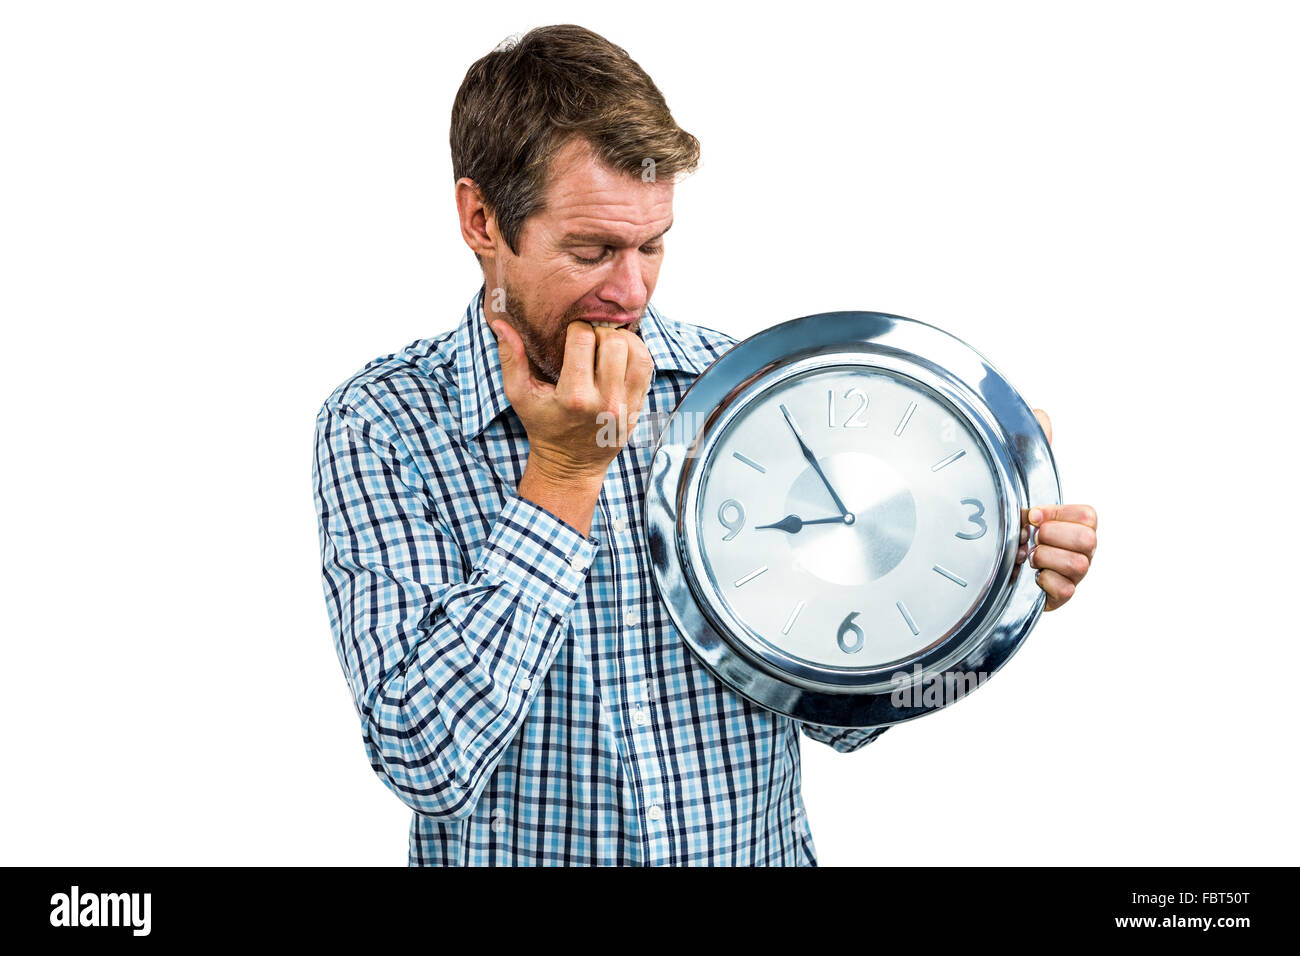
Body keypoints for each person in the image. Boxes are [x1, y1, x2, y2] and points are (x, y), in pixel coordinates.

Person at [311, 24, 1099, 866]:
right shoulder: (382, 422)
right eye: (591, 250)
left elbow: (832, 706)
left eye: (653, 245)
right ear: (481, 219)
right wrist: (565, 474)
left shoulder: (743, 397)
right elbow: (423, 759)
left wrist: (987, 584)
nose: (630, 290)